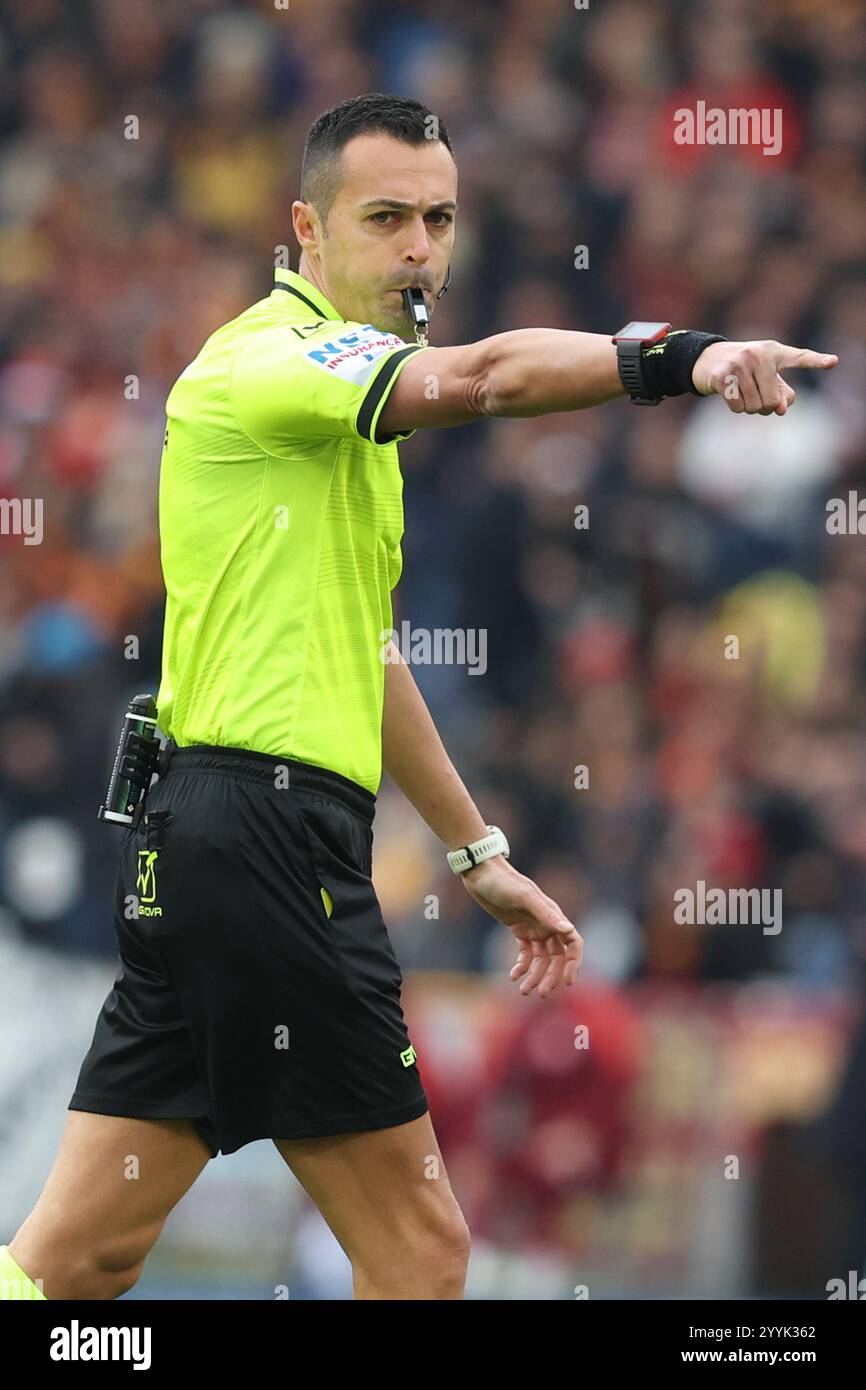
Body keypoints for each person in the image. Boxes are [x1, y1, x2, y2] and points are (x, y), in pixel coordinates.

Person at [0, 92, 838, 1303]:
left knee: (76, 1261)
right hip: (268, 840)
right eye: (384, 217)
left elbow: (367, 656)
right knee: (421, 1253)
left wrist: (472, 849)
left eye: (437, 220)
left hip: (200, 852)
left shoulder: (346, 432)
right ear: (304, 226)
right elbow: (490, 375)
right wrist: (672, 357)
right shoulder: (272, 360)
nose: (417, 250)